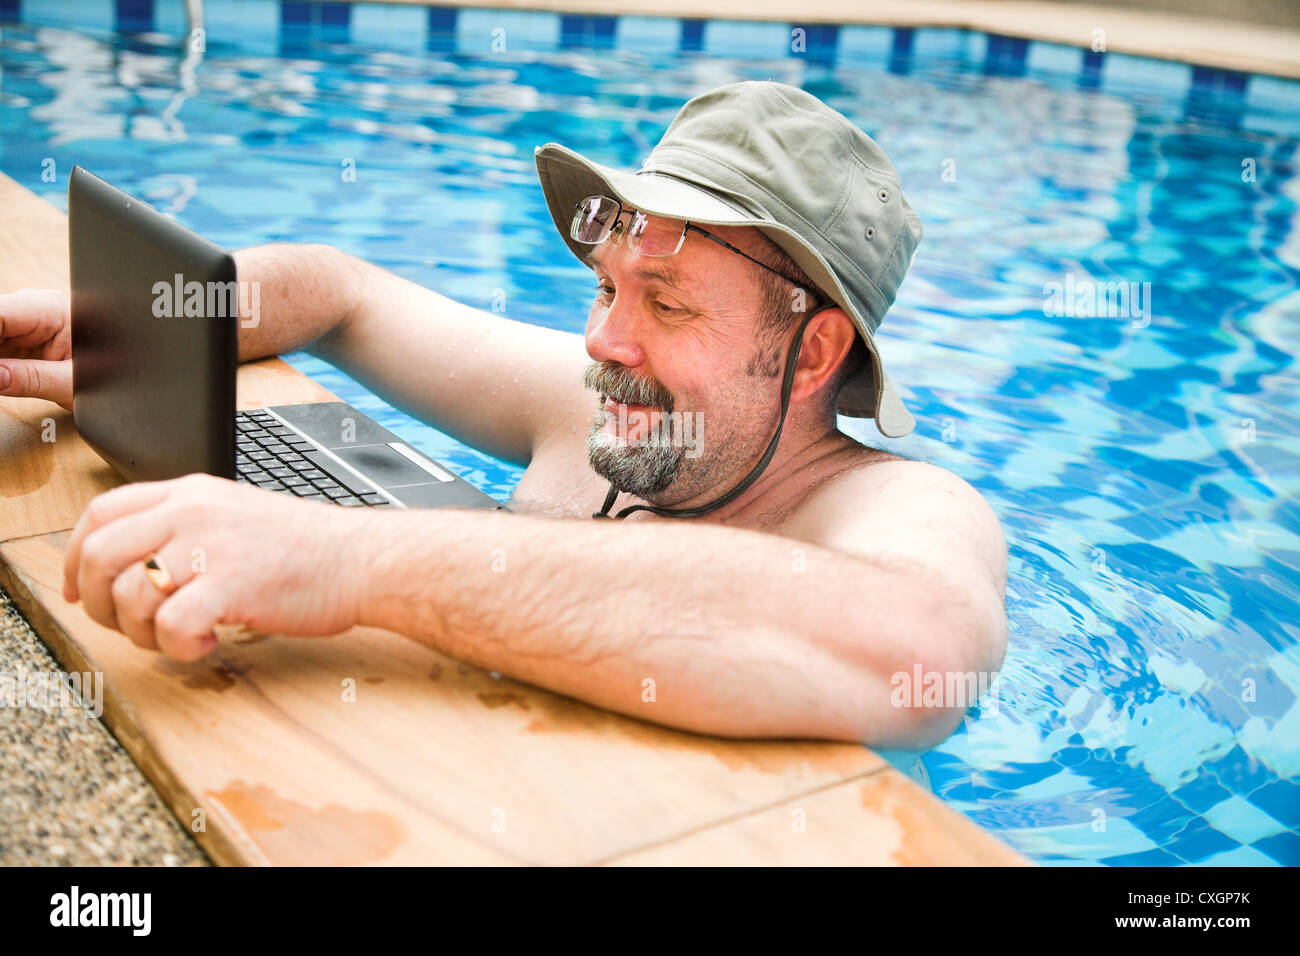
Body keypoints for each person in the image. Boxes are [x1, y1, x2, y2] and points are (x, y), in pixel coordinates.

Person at [0, 82, 1006, 747]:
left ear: (813, 352)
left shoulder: (898, 505)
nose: (606, 342)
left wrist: (342, 558)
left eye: (670, 303)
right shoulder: (602, 414)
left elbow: (915, 645)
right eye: (607, 286)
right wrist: (128, 338)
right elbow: (342, 291)